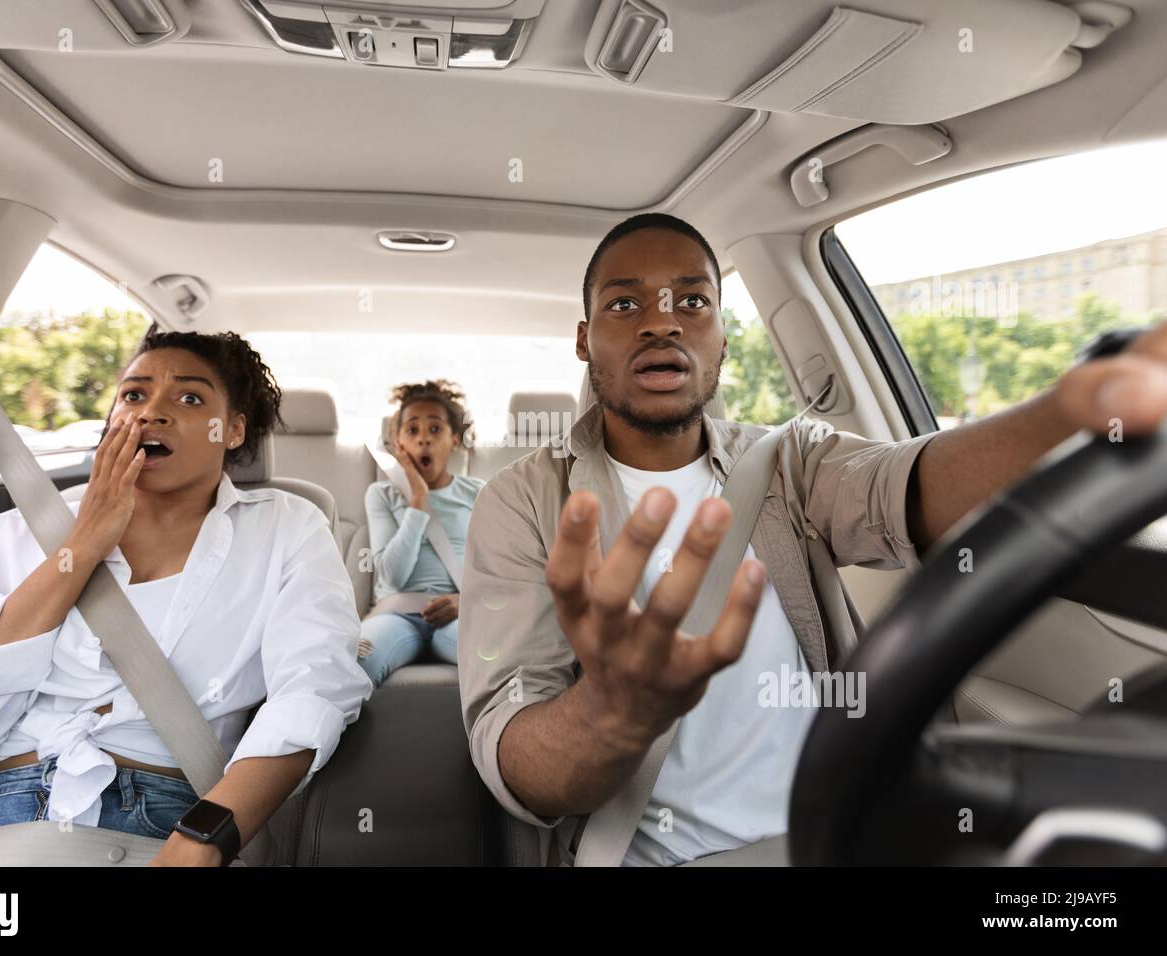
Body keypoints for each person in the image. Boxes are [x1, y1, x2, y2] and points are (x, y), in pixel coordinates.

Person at [457, 212, 1167, 866]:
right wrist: (613, 712)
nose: (662, 323)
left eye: (692, 301)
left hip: (848, 836)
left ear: (723, 338)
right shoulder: (520, 502)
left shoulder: (788, 460)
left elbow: (907, 485)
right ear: (584, 338)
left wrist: (1069, 409)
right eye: (624, 303)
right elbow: (515, 759)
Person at [0, 329, 372, 866]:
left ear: (234, 430)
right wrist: (81, 547)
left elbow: (314, 692)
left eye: (190, 398)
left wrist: (205, 838)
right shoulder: (13, 535)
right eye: (133, 395)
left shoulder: (286, 528)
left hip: (171, 822)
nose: (150, 413)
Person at [358, 380, 483, 686]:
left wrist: (464, 600)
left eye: (435, 429)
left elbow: (498, 572)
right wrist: (418, 501)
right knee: (356, 661)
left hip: (459, 613)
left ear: (454, 439)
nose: (423, 439)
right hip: (396, 616)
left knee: (493, 658)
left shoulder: (478, 493)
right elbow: (392, 576)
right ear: (397, 442)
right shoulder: (382, 494)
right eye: (412, 430)